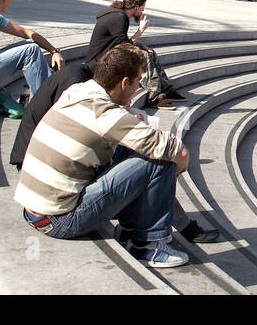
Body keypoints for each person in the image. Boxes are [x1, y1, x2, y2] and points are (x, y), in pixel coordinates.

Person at [14, 44, 192, 267]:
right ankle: (147, 245)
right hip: (60, 220)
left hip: (35, 210)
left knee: (133, 149)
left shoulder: (77, 92)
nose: (137, 88)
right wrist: (177, 168)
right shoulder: (107, 115)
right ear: (124, 83)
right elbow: (178, 150)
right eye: (137, 82)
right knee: (159, 161)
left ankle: (131, 230)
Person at [84, 0, 183, 110]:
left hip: (108, 53)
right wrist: (140, 31)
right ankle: (154, 97)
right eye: (142, 8)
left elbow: (121, 41)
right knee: (143, 55)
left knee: (150, 52)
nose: (142, 11)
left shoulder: (120, 15)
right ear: (136, 6)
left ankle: (165, 89)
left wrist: (140, 45)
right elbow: (124, 45)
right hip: (99, 60)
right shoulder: (119, 17)